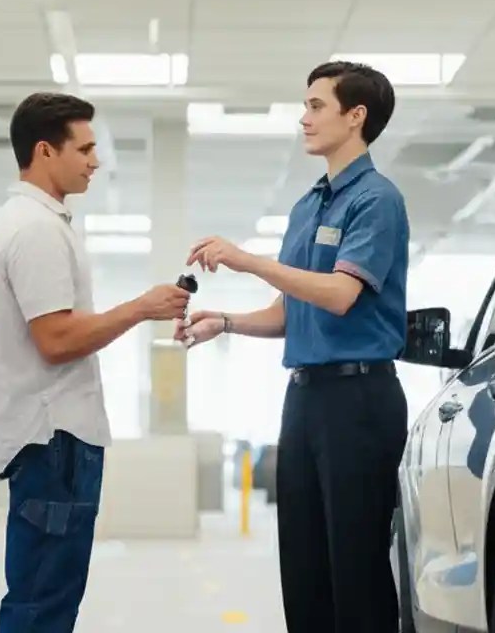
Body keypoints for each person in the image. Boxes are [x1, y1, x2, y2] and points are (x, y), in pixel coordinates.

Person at [178, 61, 409, 633]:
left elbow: (338, 295)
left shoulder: (376, 201)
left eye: (316, 106)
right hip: (304, 399)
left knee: (355, 570)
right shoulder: (310, 206)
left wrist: (248, 259)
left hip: (359, 399)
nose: (304, 118)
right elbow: (291, 310)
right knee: (303, 570)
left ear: (356, 117)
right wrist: (225, 322)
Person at [0, 92, 191, 633]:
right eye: (86, 148)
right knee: (42, 600)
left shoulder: (39, 222)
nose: (96, 160)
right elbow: (55, 337)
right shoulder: (35, 229)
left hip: (54, 439)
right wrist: (141, 308)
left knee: (46, 594)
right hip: (53, 440)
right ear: (45, 151)